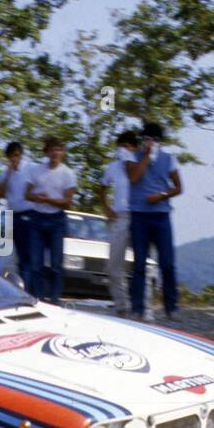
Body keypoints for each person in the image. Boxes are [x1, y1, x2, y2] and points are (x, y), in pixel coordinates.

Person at [126, 121, 182, 321]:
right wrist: (146, 156)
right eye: (148, 139)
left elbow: (178, 187)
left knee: (167, 263)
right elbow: (133, 178)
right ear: (142, 140)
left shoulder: (169, 159)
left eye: (155, 139)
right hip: (139, 216)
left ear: (160, 141)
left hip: (161, 215)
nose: (151, 142)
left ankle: (171, 306)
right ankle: (137, 307)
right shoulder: (132, 157)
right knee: (139, 263)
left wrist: (161, 195)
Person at [24, 137, 76, 303]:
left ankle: (55, 298)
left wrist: (48, 200)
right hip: (37, 218)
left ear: (63, 152)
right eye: (52, 150)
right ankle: (38, 297)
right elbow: (27, 194)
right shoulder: (36, 170)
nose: (55, 153)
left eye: (58, 149)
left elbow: (67, 202)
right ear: (47, 152)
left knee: (56, 264)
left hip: (56, 220)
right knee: (35, 264)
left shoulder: (68, 173)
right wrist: (37, 197)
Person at [100, 130, 139, 314]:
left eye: (128, 146)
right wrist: (106, 208)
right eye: (121, 147)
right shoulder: (112, 167)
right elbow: (101, 188)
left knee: (142, 263)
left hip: (140, 217)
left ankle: (141, 305)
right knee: (114, 264)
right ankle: (121, 303)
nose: (124, 150)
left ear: (135, 148)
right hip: (119, 217)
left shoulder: (141, 166)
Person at [0, 142, 34, 288]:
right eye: (11, 156)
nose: (14, 158)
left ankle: (31, 289)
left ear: (21, 155)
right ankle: (23, 287)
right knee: (20, 256)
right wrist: (8, 174)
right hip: (15, 216)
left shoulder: (30, 169)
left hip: (30, 215)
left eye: (16, 155)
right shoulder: (5, 173)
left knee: (29, 256)